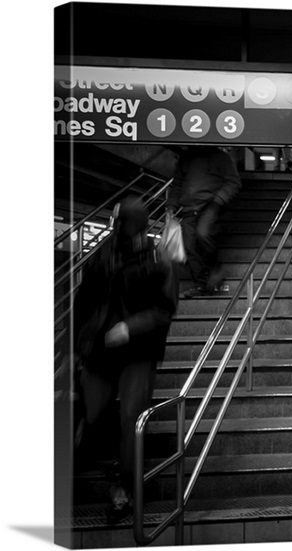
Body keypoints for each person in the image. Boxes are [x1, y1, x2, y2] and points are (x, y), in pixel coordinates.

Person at [73, 197, 179, 524]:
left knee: (132, 421)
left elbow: (164, 310)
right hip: (100, 350)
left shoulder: (157, 261)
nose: (117, 229)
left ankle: (127, 490)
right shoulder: (103, 255)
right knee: (91, 414)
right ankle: (75, 471)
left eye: (121, 224)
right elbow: (83, 302)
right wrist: (78, 347)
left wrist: (129, 328)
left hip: (138, 352)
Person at [167, 145, 241, 298]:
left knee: (203, 233)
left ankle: (215, 268)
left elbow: (234, 182)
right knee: (189, 246)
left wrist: (218, 201)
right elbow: (177, 183)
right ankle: (200, 285)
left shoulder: (221, 157)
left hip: (210, 205)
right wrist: (171, 206)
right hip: (188, 207)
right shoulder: (187, 158)